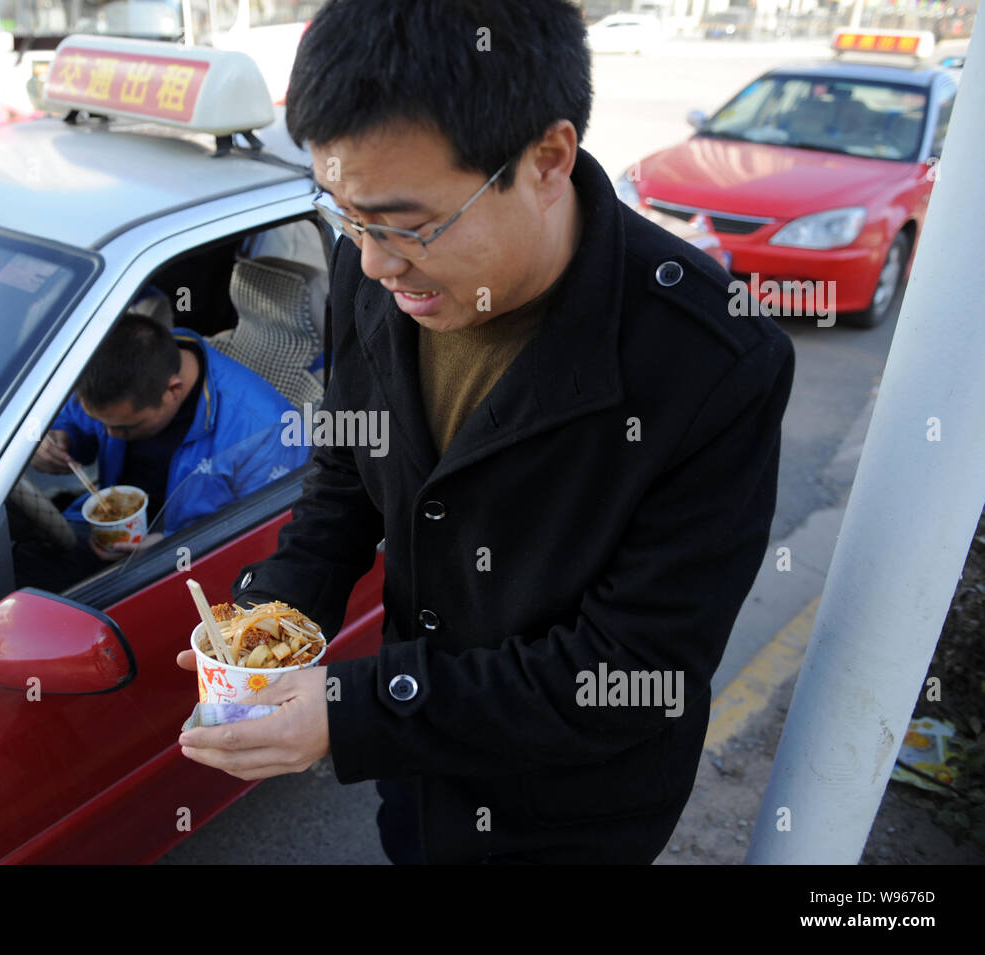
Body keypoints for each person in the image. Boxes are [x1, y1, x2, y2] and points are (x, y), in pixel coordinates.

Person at [175, 0, 794, 864]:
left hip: (572, 818)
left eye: (406, 223)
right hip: (416, 786)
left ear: (546, 160)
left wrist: (356, 711)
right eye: (344, 213)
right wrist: (261, 627)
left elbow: (630, 671)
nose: (377, 260)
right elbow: (346, 481)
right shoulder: (368, 264)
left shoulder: (712, 362)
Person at [20, 313, 308, 586]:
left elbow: (269, 541)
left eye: (126, 428)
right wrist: (58, 438)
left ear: (173, 390)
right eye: (101, 422)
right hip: (103, 534)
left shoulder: (265, 432)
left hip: (185, 569)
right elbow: (74, 419)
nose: (111, 435)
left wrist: (171, 549)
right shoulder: (120, 370)